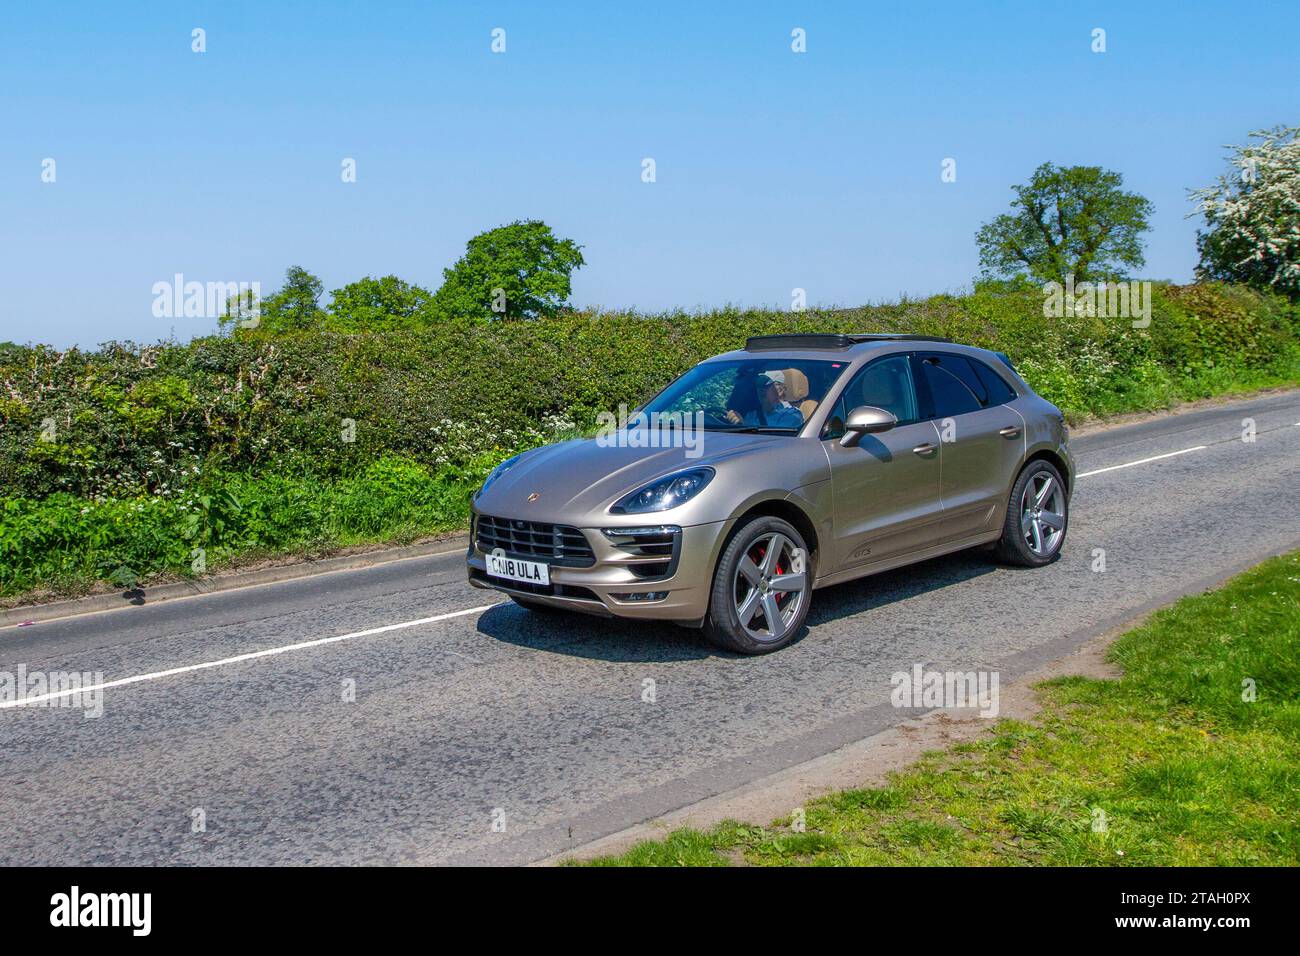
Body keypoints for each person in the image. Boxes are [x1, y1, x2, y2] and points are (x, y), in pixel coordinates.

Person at [726, 370, 804, 429]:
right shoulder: (752, 415)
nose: (761, 389)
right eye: (758, 384)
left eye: (765, 384)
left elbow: (775, 441)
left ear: (780, 389)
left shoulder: (792, 415)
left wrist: (743, 426)